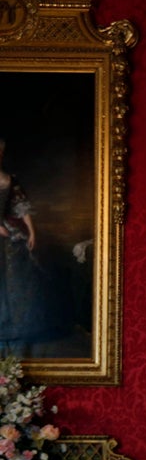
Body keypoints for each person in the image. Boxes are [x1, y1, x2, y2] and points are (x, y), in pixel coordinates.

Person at [0, 138, 59, 355]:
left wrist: (32, 231)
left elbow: (22, 207)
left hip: (11, 236)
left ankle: (15, 326)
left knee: (16, 279)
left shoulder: (10, 180)